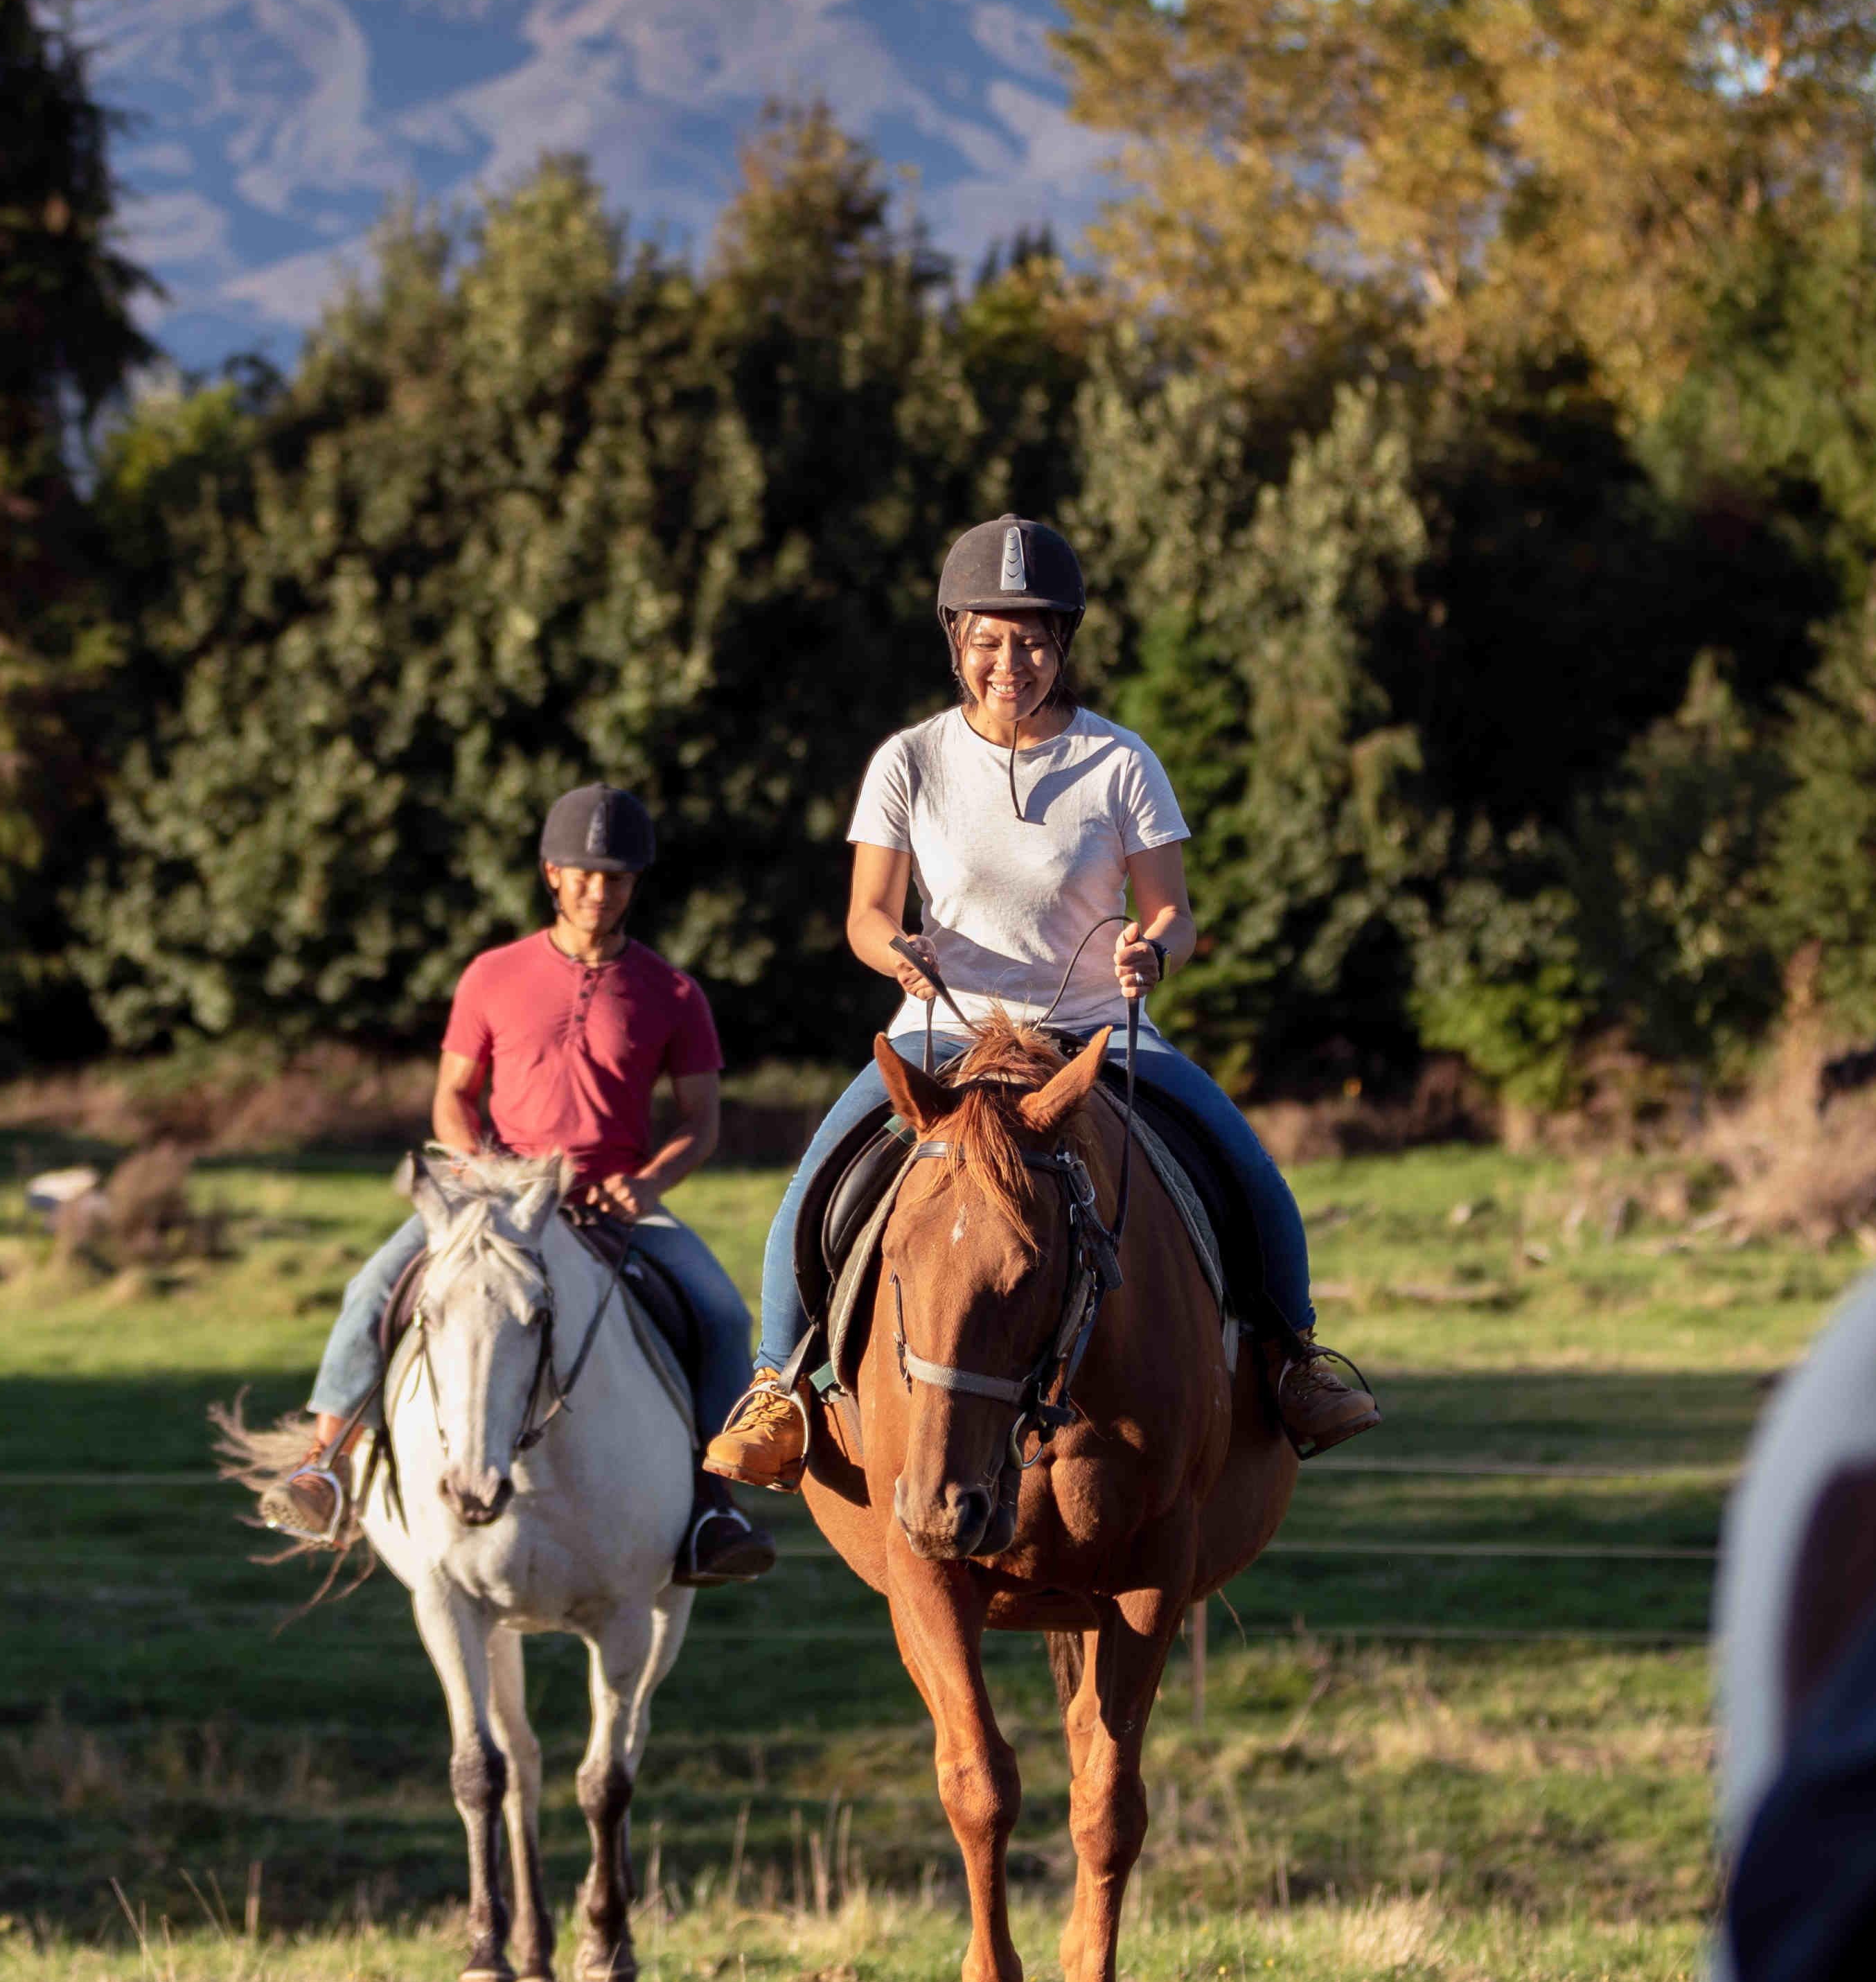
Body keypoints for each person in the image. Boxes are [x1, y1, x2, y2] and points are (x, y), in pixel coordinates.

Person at [700, 516, 1383, 1483]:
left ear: (1063, 644)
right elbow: (865, 915)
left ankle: (1295, 1358)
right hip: (946, 1031)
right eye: (988, 640)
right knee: (815, 1187)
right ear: (957, 642)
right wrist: (896, 951)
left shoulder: (1122, 762)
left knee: (1249, 1170)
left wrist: (1152, 949)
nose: (1009, 663)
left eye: (1031, 642)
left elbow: (1175, 913)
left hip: (1098, 1032)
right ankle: (778, 1387)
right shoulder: (910, 761)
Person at [263, 786, 777, 1588]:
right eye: (583, 874)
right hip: (493, 1199)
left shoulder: (675, 994)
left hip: (608, 1201)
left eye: (616, 877)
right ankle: (323, 1467)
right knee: (370, 1290)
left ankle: (716, 1507)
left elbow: (699, 1123)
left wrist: (648, 1186)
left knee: (722, 1314)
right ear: (551, 873)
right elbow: (452, 1095)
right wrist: (474, 1165)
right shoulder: (491, 975)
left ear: (636, 883)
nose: (598, 890)